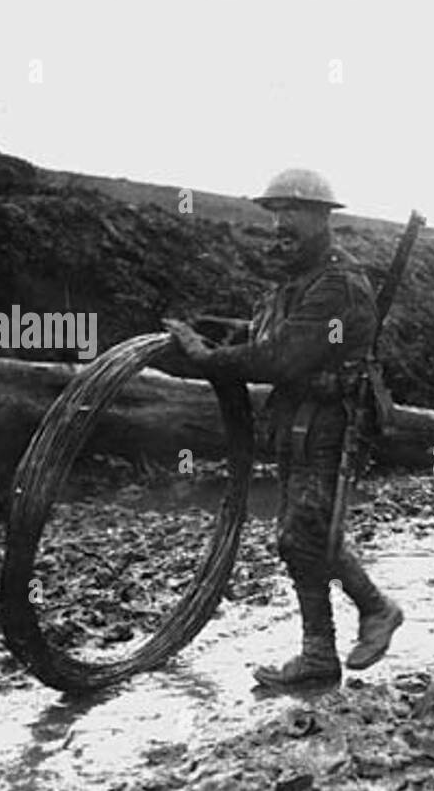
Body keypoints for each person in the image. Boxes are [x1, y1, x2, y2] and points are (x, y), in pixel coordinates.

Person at [164, 168, 403, 686]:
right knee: (305, 534)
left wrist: (206, 356)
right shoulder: (296, 281)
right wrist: (214, 336)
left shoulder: (338, 284)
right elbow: (268, 335)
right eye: (275, 214)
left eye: (292, 213)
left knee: (302, 533)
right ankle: (344, 634)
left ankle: (358, 623)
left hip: (332, 424)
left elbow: (283, 356)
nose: (280, 225)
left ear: (322, 218)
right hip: (297, 419)